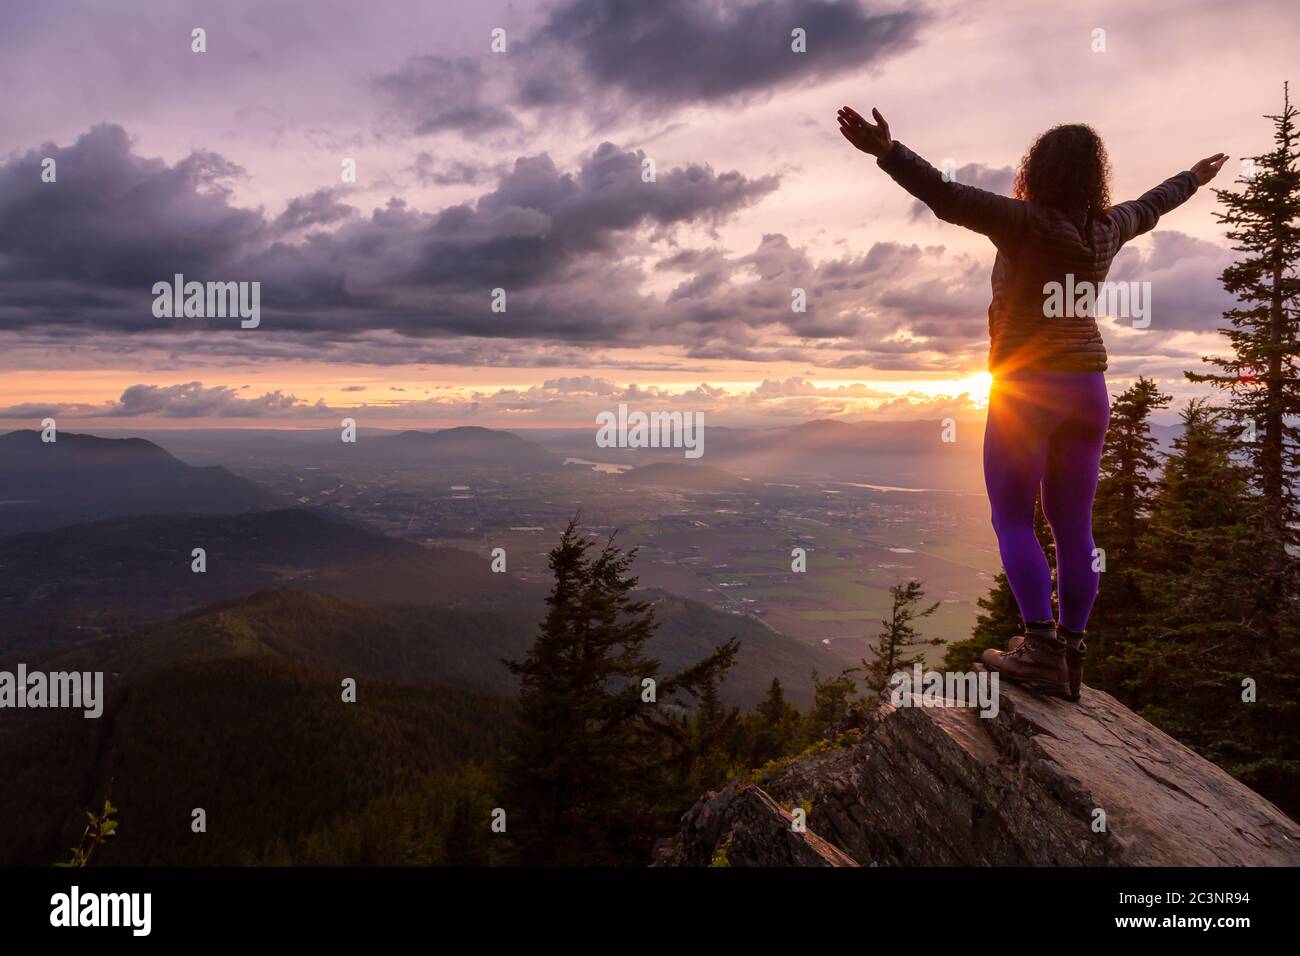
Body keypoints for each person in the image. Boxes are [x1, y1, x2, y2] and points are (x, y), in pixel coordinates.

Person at [837, 105, 1228, 700]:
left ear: (1036, 170)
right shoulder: (1108, 228)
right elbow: (1153, 204)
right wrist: (1194, 178)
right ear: (1094, 176)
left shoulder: (1021, 222)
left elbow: (944, 195)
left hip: (1027, 389)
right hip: (1088, 390)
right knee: (1075, 526)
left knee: (1013, 517)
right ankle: (1070, 651)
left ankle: (1039, 647)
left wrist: (888, 152)